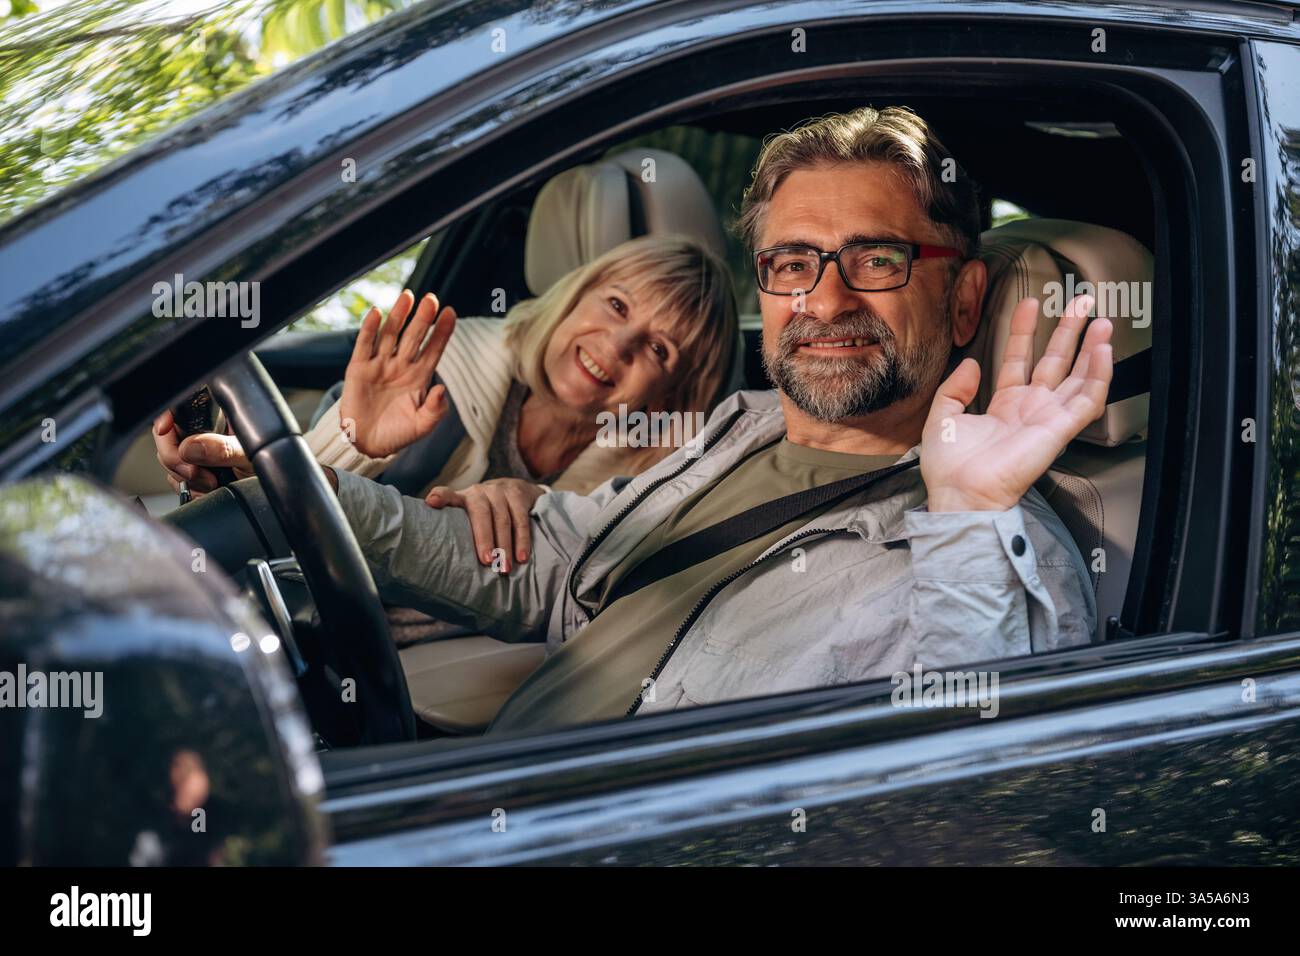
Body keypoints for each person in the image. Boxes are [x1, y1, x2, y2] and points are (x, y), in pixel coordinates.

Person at [340, 105, 1111, 733]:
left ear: (966, 298)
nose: (826, 301)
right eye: (792, 263)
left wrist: (971, 517)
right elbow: (552, 571)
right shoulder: (742, 423)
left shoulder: (988, 535)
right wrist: (299, 498)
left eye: (877, 260)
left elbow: (978, 787)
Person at [154, 233, 739, 579]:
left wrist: (546, 515)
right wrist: (348, 440)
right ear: (574, 295)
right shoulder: (439, 373)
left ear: (672, 393)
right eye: (615, 305)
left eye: (659, 349)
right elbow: (296, 532)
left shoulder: (652, 488)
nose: (618, 344)